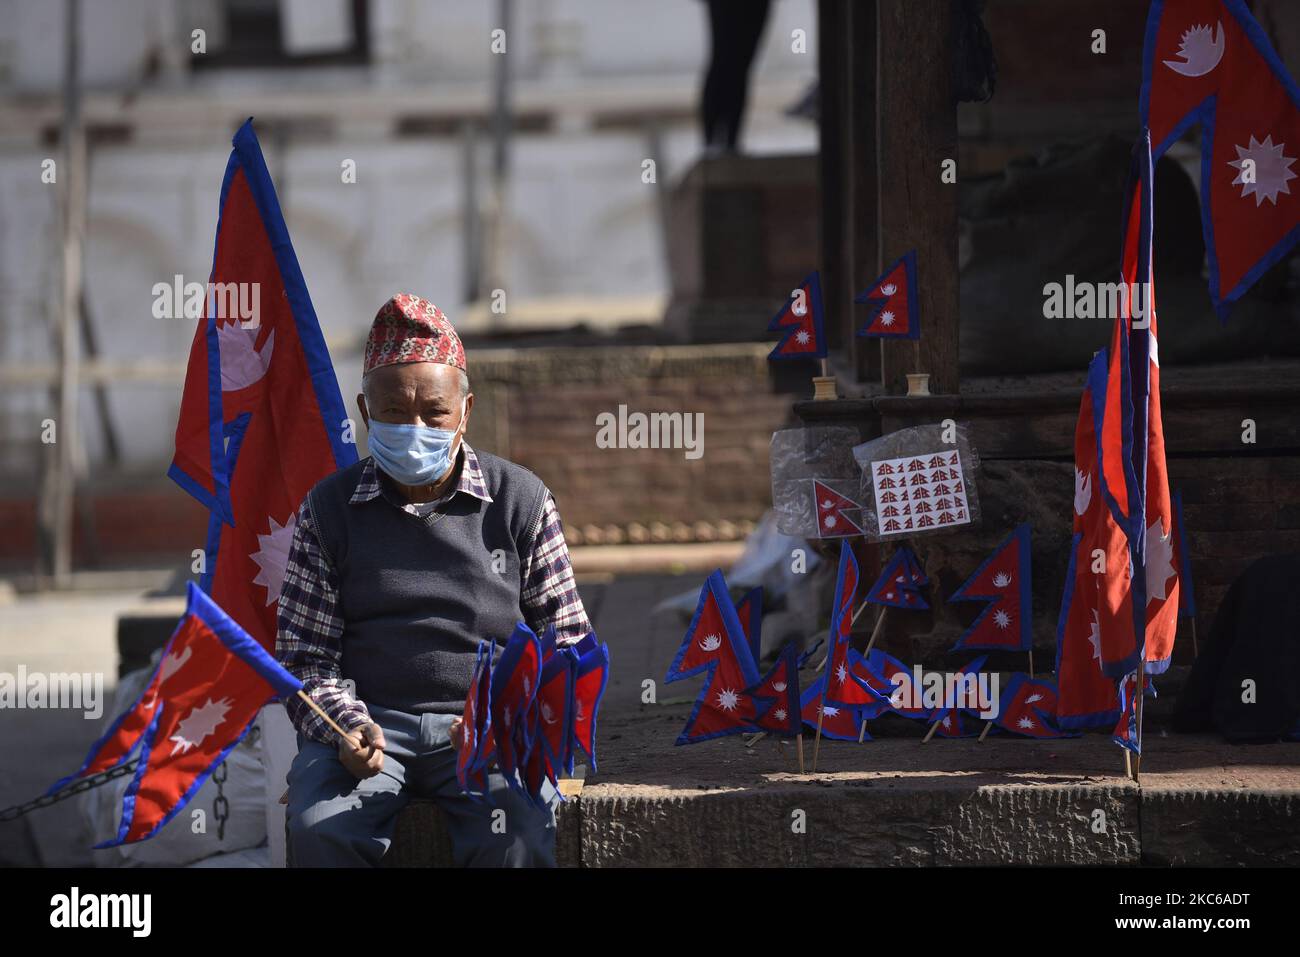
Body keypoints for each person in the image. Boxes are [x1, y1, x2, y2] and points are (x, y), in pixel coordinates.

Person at [276, 293, 592, 867]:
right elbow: (305, 659)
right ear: (365, 412)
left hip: (487, 730)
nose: (413, 427)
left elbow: (567, 642)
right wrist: (346, 728)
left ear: (465, 412)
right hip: (369, 727)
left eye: (434, 413)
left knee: (518, 826)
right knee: (318, 829)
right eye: (393, 413)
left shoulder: (520, 500)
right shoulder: (328, 510)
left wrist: (502, 718)